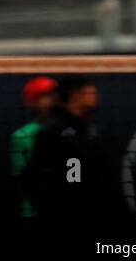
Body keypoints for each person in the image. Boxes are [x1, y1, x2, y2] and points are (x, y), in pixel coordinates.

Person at [24, 76, 113, 218]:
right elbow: (35, 179)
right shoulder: (52, 132)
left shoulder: (91, 130)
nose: (96, 96)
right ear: (75, 95)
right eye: (91, 92)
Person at [10, 76, 57, 217]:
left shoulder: (69, 132)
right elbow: (21, 181)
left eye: (53, 95)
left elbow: (75, 169)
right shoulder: (21, 136)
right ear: (32, 102)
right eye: (45, 96)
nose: (52, 100)